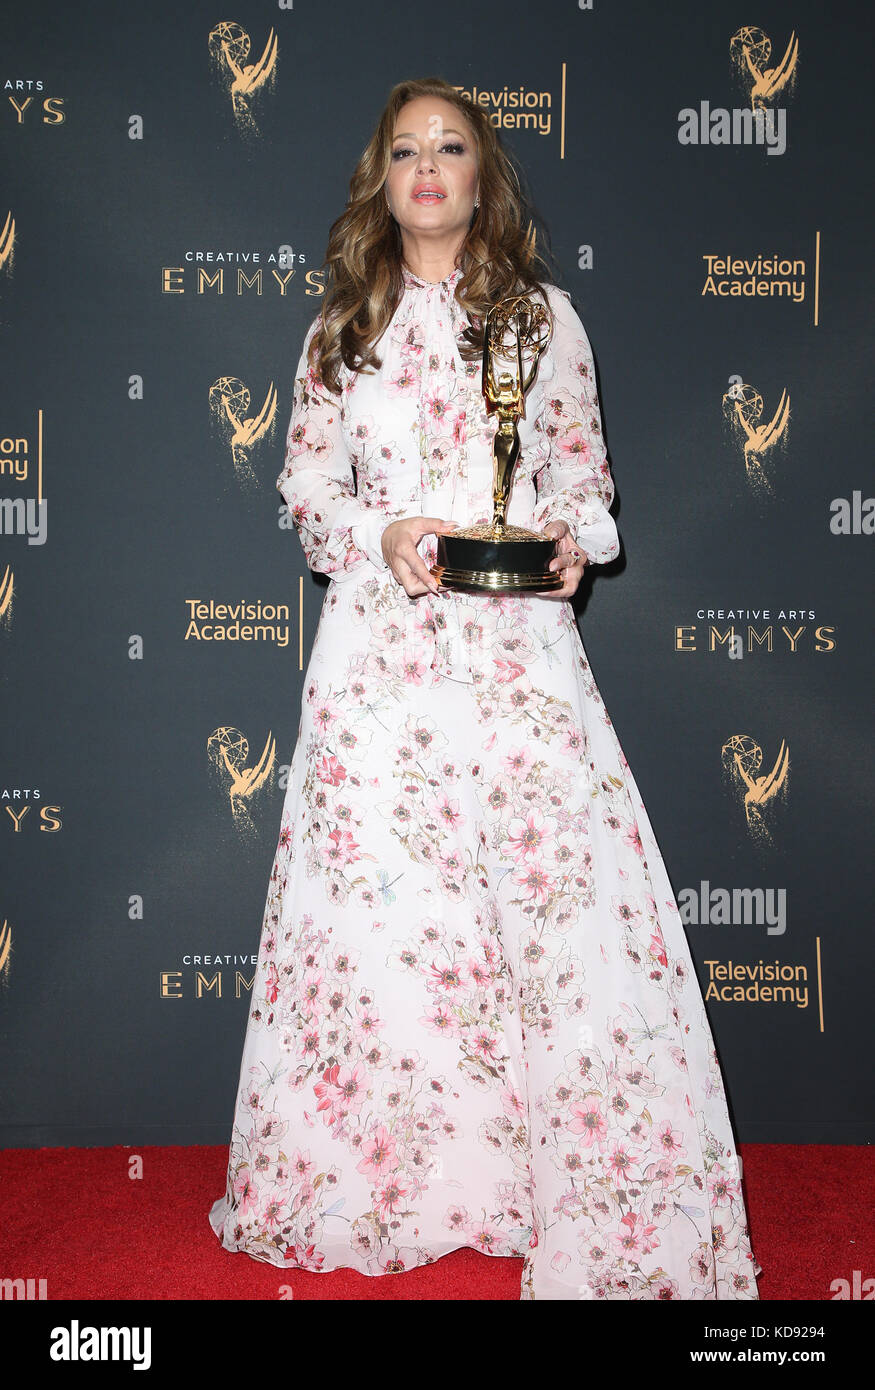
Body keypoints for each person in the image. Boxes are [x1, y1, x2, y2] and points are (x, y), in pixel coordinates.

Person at [208, 76, 762, 1301]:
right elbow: (306, 496)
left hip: (516, 653)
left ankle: (557, 1189)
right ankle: (393, 1184)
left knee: (548, 914)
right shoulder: (336, 327)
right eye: (403, 149)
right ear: (380, 180)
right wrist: (384, 533)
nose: (424, 167)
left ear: (480, 175)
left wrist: (568, 543)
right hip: (378, 660)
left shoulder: (544, 321)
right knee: (385, 921)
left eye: (448, 146)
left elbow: (582, 484)